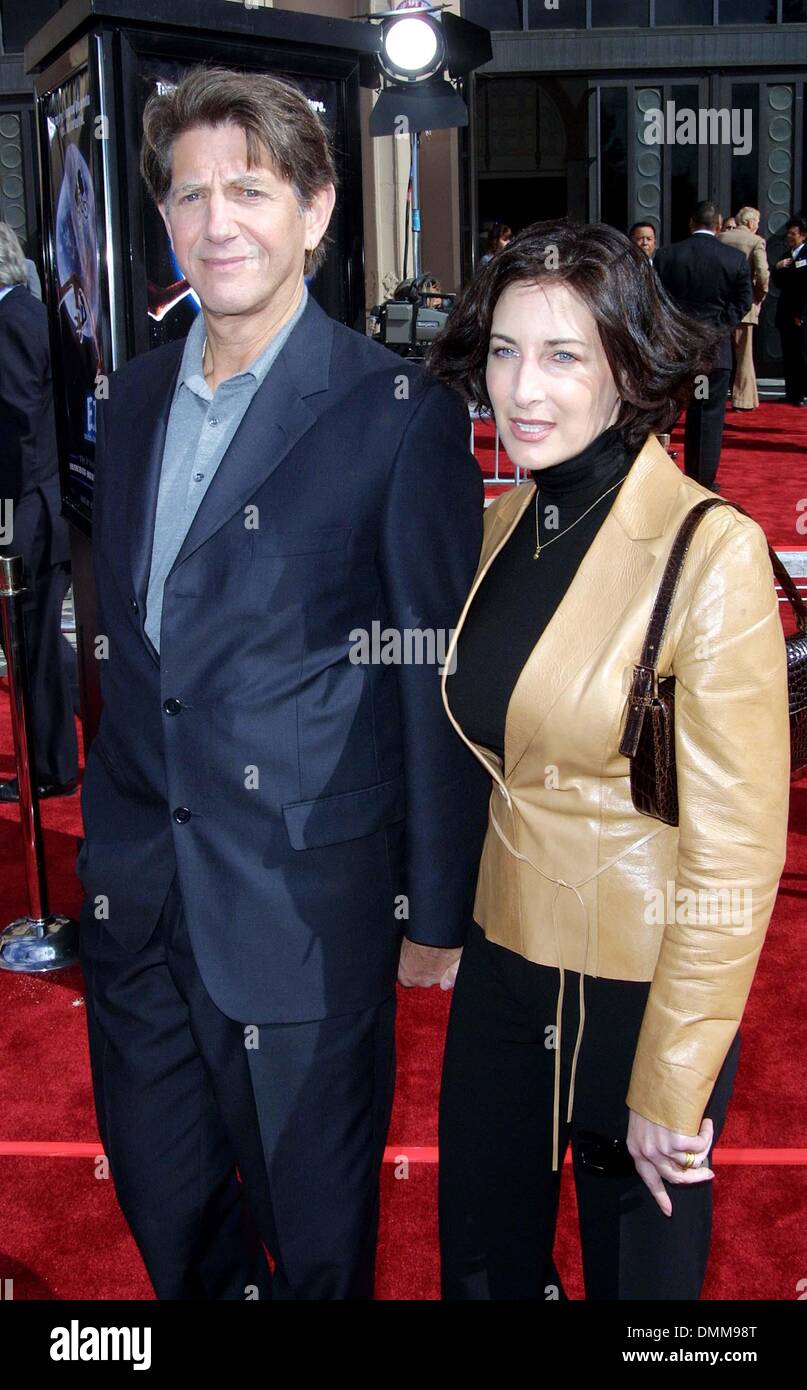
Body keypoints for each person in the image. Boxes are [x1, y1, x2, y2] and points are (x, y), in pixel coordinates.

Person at [76, 65, 488, 1301]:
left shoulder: (396, 411)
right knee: (171, 1214)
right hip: (138, 898)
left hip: (305, 912)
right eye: (191, 195)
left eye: (250, 189)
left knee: (314, 1250)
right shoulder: (136, 392)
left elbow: (432, 672)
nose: (217, 222)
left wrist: (437, 909)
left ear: (316, 211)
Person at [427, 220, 790, 1300]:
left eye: (562, 354)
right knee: (485, 1268)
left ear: (629, 365)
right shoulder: (509, 520)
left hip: (638, 988)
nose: (520, 388)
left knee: (645, 1299)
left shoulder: (709, 550)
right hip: (504, 968)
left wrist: (674, 1081)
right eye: (502, 350)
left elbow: (735, 856)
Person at [0, 222, 78, 801]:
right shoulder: (26, 312)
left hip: (25, 514)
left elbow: (19, 435)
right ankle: (50, 760)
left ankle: (51, 769)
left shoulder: (12, 320)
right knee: (36, 645)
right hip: (32, 509)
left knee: (35, 647)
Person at [653, 200, 752, 491]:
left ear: (691, 223)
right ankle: (701, 482)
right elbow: (742, 302)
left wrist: (679, 330)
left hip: (677, 350)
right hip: (714, 352)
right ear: (719, 225)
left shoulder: (667, 256)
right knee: (707, 418)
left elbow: (655, 301)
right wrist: (716, 329)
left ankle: (656, 475)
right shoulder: (733, 259)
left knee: (665, 413)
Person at [718, 207, 769, 411]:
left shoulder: (720, 238)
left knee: (717, 355)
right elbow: (763, 273)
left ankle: (708, 394)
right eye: (757, 221)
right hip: (744, 306)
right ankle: (743, 401)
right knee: (744, 356)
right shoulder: (756, 241)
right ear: (750, 223)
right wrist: (759, 296)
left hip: (720, 306)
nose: (757, 225)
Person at [772, 215, 807, 406]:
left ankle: (801, 392)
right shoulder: (786, 255)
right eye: (789, 234)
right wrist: (777, 268)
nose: (790, 237)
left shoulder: (805, 255)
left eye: (794, 234)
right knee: (789, 355)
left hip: (801, 313)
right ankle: (791, 392)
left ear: (803, 235)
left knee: (801, 355)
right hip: (785, 312)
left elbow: (802, 283)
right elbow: (779, 282)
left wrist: (800, 315)